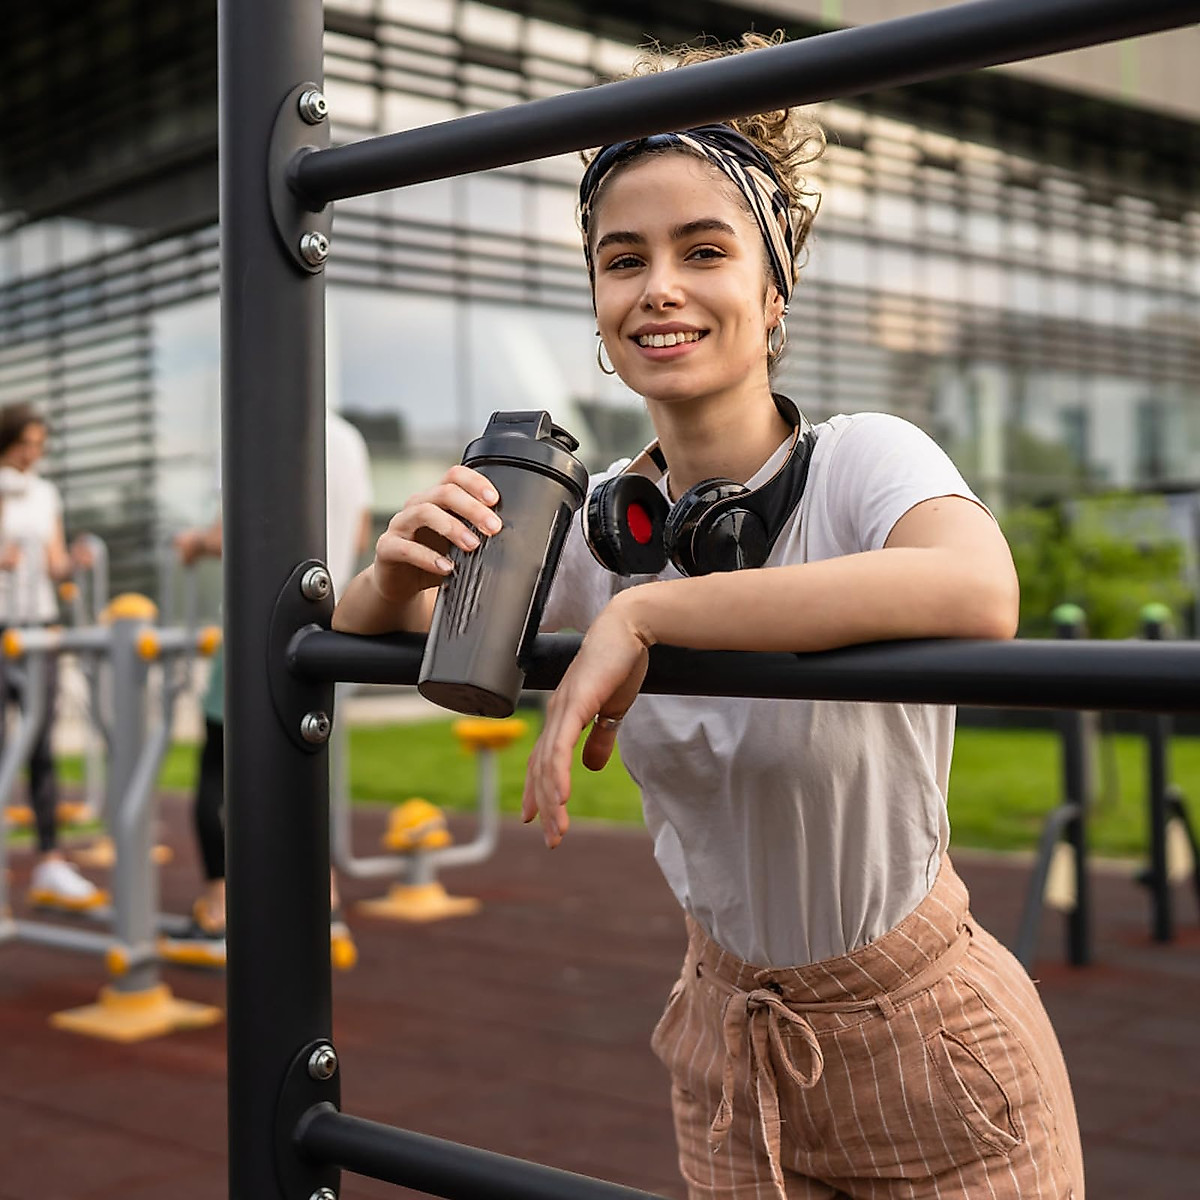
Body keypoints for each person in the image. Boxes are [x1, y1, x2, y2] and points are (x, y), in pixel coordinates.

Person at [332, 33, 1083, 1200]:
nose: (660, 288)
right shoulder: (598, 525)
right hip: (726, 1045)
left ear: (774, 293)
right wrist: (394, 569)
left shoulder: (863, 460)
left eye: (705, 250)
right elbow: (384, 637)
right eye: (623, 259)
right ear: (597, 306)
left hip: (937, 1048)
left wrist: (650, 620)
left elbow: (979, 590)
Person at [166, 410, 373, 956]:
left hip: (260, 620)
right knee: (305, 756)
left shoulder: (256, 423)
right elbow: (357, 530)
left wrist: (194, 544)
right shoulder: (348, 440)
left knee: (218, 761)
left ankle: (219, 908)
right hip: (330, 617)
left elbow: (230, 531)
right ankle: (324, 902)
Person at [0, 402, 99, 909]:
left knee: (41, 746)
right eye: (25, 443)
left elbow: (55, 562)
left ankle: (49, 861)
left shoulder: (44, 493)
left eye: (39, 444)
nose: (32, 453)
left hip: (37, 626)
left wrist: (73, 563)